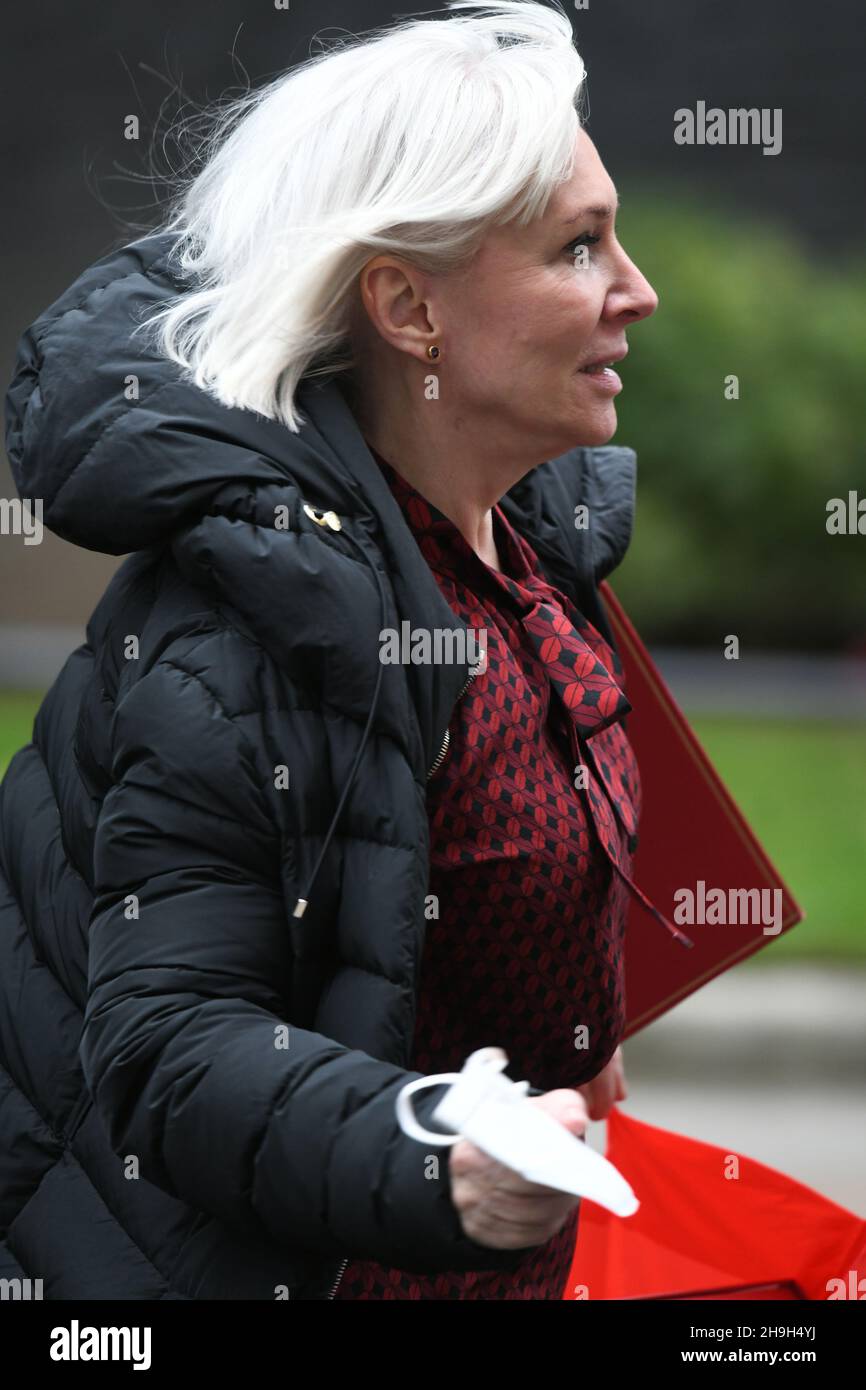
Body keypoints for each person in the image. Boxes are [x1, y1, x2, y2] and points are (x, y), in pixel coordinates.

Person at [1, 0, 660, 1301]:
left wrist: (555, 1033)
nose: (637, 288)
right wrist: (433, 1158)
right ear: (408, 308)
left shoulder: (529, 543)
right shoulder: (249, 626)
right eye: (578, 248)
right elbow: (168, 1050)